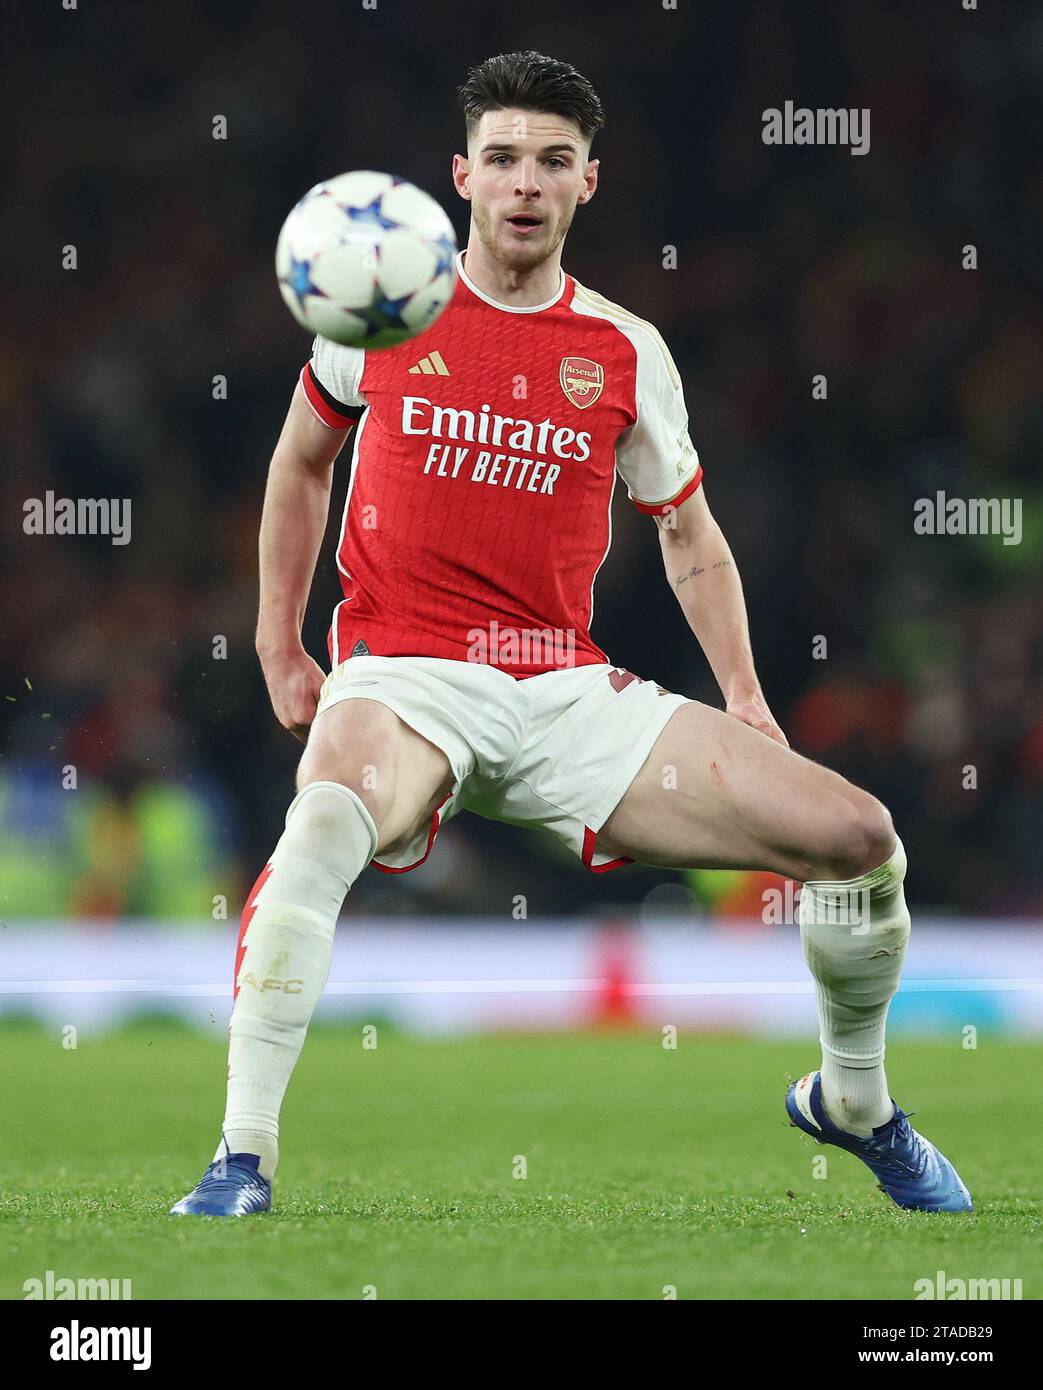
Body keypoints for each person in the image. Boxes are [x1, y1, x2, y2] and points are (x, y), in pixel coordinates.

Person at [172, 51, 970, 1216]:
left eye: (552, 160)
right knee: (327, 813)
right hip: (404, 675)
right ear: (461, 176)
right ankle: (242, 1157)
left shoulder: (623, 351)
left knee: (858, 837)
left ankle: (852, 1098)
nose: (524, 184)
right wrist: (277, 640)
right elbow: (301, 461)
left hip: (563, 689)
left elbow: (687, 532)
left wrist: (744, 696)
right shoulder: (382, 305)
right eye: (501, 159)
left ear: (588, 181)